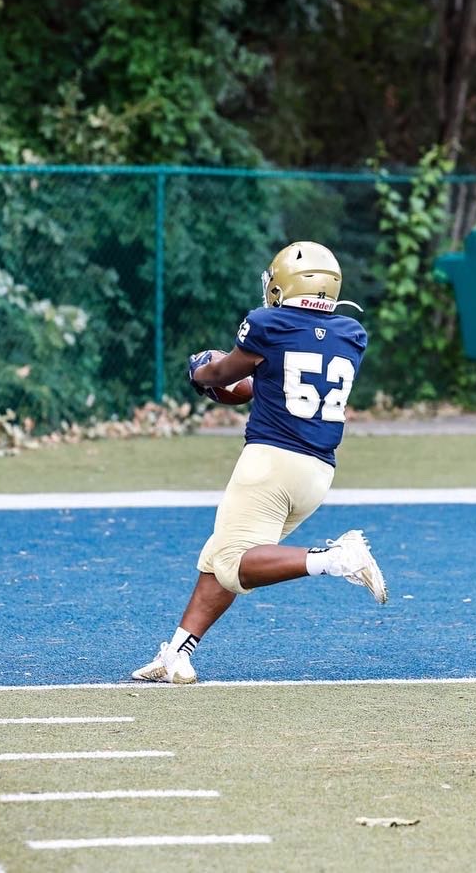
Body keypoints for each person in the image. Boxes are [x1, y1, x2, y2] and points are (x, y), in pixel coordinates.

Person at [132, 241, 386, 685]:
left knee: (234, 560)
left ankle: (335, 559)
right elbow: (284, 382)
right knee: (220, 557)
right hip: (317, 473)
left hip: (271, 462)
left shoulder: (268, 323)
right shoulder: (351, 334)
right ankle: (176, 653)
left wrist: (200, 369)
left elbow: (224, 376)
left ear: (282, 285)